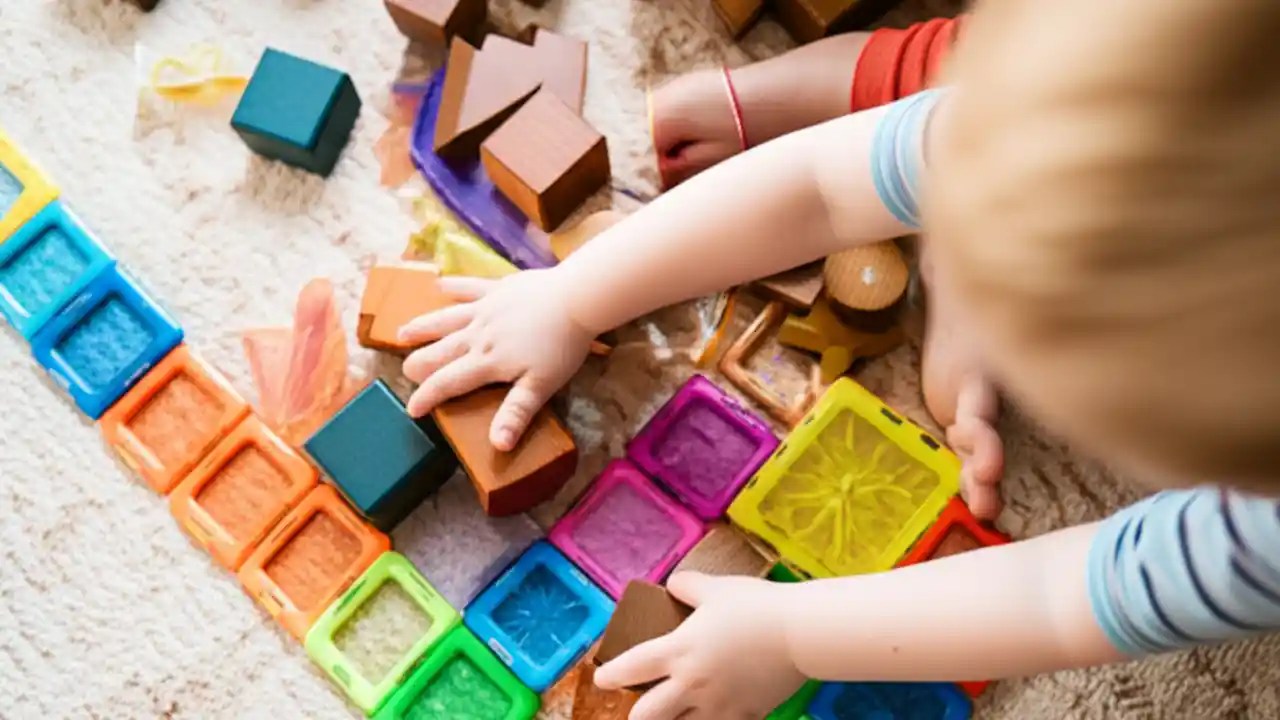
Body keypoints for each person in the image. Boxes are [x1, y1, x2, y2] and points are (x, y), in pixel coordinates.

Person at [398, 0, 1280, 717]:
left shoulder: (1261, 542)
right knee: (945, 74)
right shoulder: (1108, 91)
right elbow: (821, 185)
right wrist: (573, 297)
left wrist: (796, 635)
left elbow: (1068, 595)